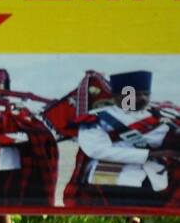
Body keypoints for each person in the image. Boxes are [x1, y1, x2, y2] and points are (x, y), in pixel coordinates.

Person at [63, 71, 178, 208]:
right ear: (117, 96)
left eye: (145, 94)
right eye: (135, 94)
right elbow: (97, 150)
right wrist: (150, 154)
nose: (141, 98)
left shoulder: (161, 117)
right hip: (111, 182)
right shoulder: (97, 118)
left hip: (152, 182)